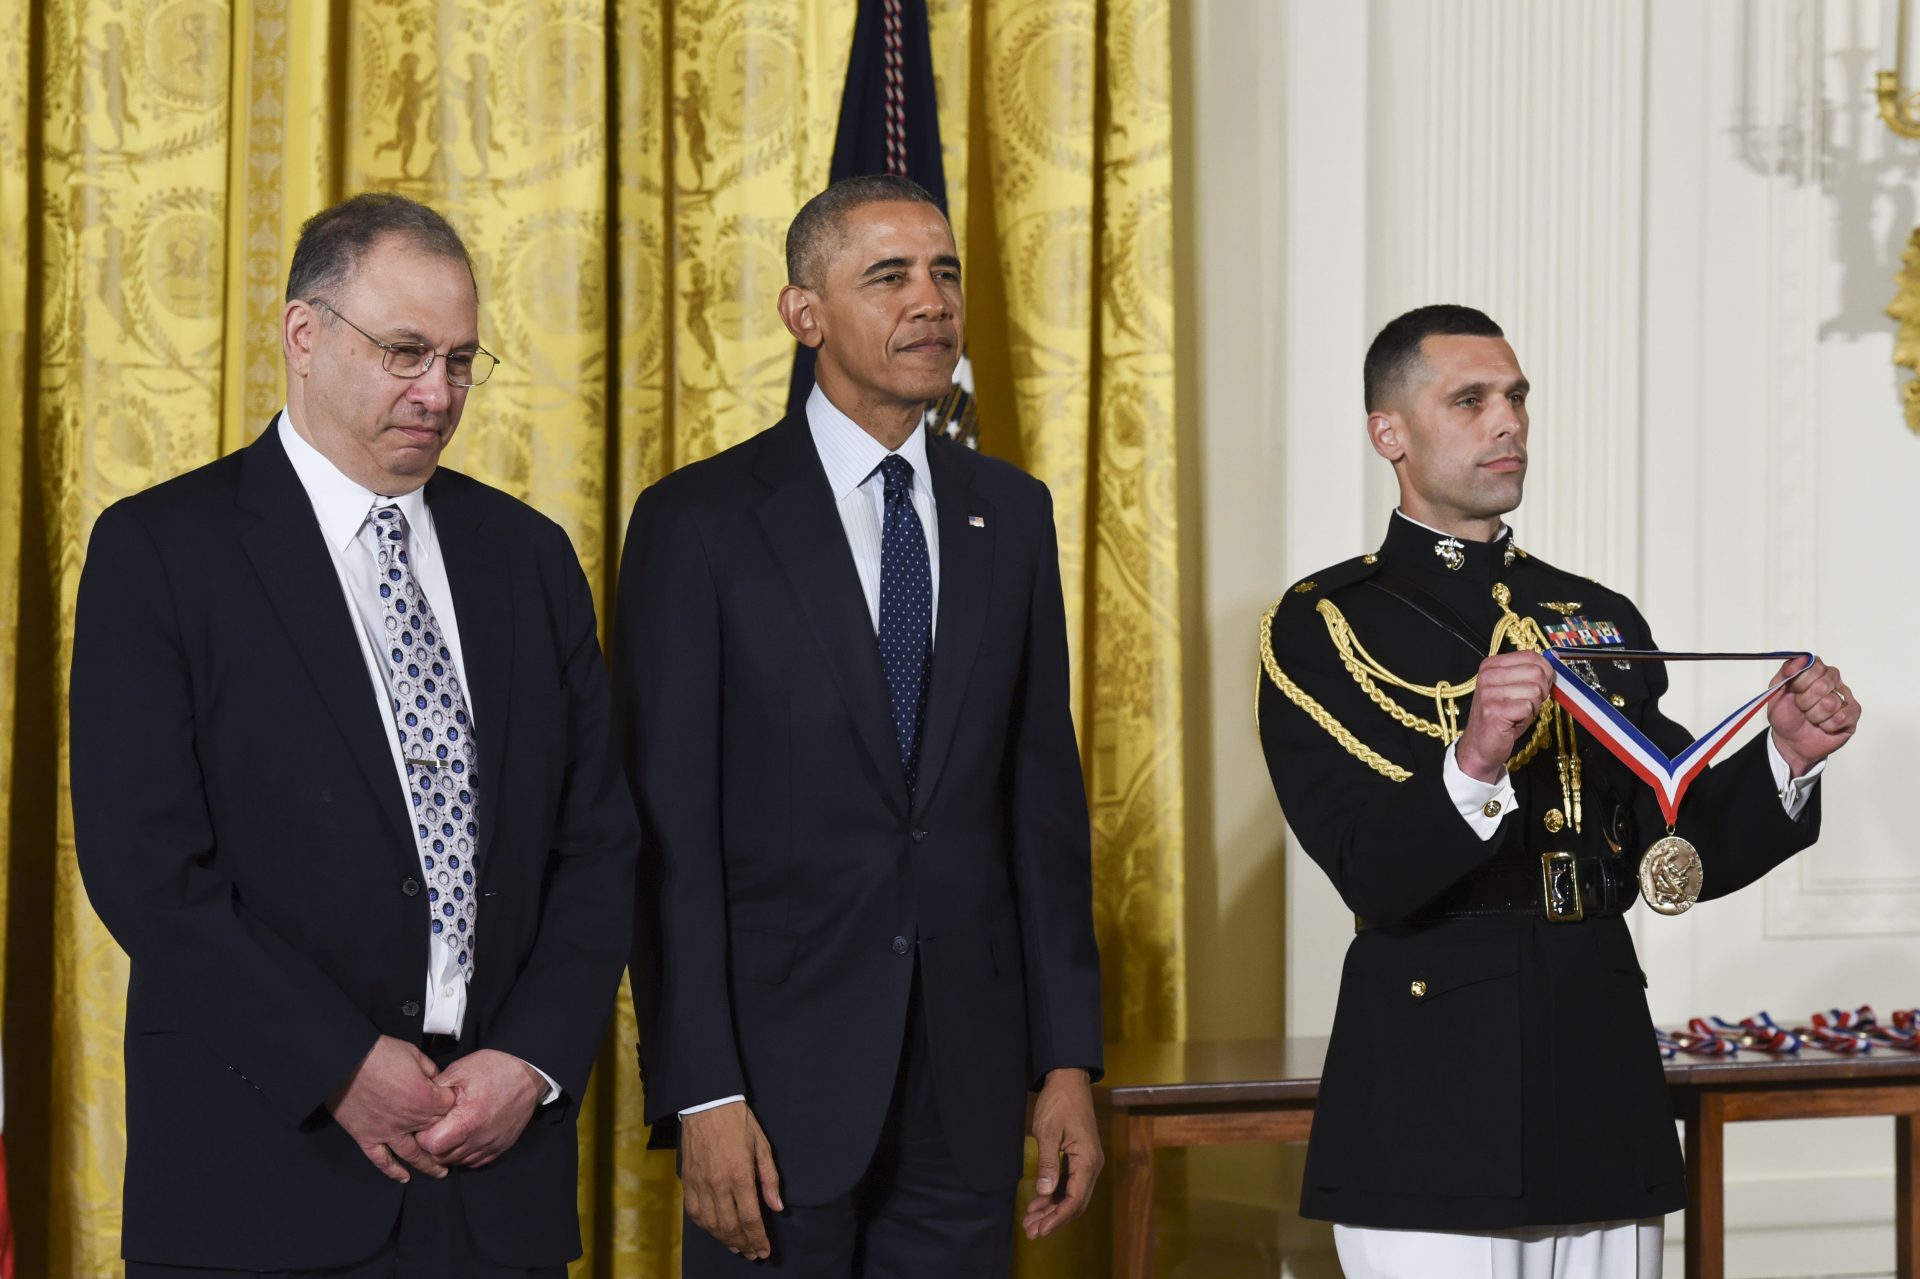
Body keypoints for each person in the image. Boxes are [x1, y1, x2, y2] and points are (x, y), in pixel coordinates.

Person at [69, 192, 638, 1279]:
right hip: (263, 1175)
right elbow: (144, 866)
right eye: (405, 352)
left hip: (495, 1181)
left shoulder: (528, 558)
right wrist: (333, 1061)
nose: (438, 394)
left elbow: (597, 840)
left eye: (463, 361)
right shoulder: (162, 551)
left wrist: (532, 1056)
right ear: (303, 335)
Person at [1256, 305, 1859, 1278]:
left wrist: (1786, 758)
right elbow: (1370, 867)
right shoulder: (1326, 624)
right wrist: (1476, 758)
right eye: (1471, 399)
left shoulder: (1594, 615)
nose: (1509, 423)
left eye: (1518, 397)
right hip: (1432, 1092)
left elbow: (1676, 843)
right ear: (1390, 434)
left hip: (1600, 1073)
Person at [615, 174, 1105, 1276]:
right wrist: (703, 1087)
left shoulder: (1010, 514)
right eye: (888, 277)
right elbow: (667, 836)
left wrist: (1066, 1059)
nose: (929, 302)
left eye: (944, 274)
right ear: (805, 314)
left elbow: (1042, 806)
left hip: (969, 1091)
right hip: (773, 1095)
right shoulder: (698, 523)